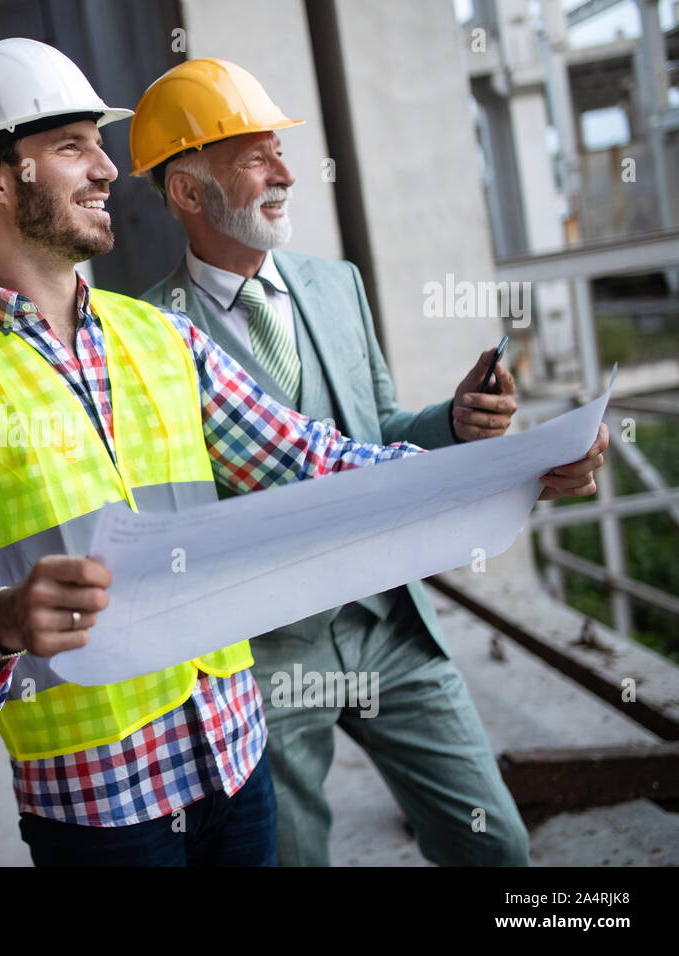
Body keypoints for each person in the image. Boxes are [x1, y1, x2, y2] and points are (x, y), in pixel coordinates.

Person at [131, 58, 609, 865]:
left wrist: (455, 425)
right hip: (267, 654)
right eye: (256, 157)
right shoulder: (143, 336)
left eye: (280, 151)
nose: (286, 173)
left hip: (389, 623)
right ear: (187, 191)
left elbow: (378, 428)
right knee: (293, 858)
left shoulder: (335, 285)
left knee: (493, 846)